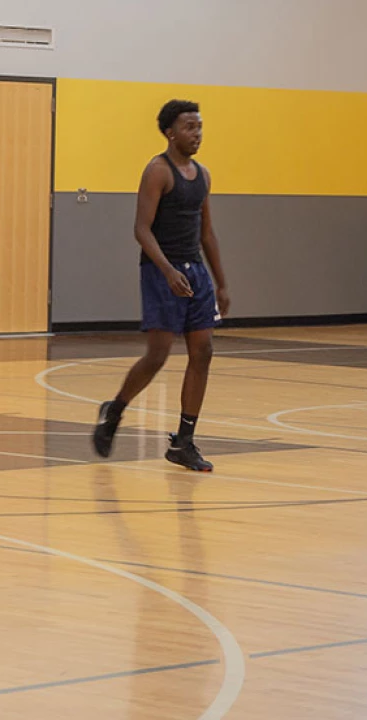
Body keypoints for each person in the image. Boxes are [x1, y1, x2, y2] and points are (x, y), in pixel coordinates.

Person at [92, 100, 231, 472]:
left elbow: (207, 233)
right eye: (189, 127)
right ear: (170, 132)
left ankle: (183, 442)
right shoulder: (158, 171)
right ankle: (115, 410)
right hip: (161, 272)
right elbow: (141, 228)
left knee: (203, 352)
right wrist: (168, 270)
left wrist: (221, 283)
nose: (196, 133)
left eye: (199, 126)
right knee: (157, 356)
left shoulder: (202, 175)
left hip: (195, 273)